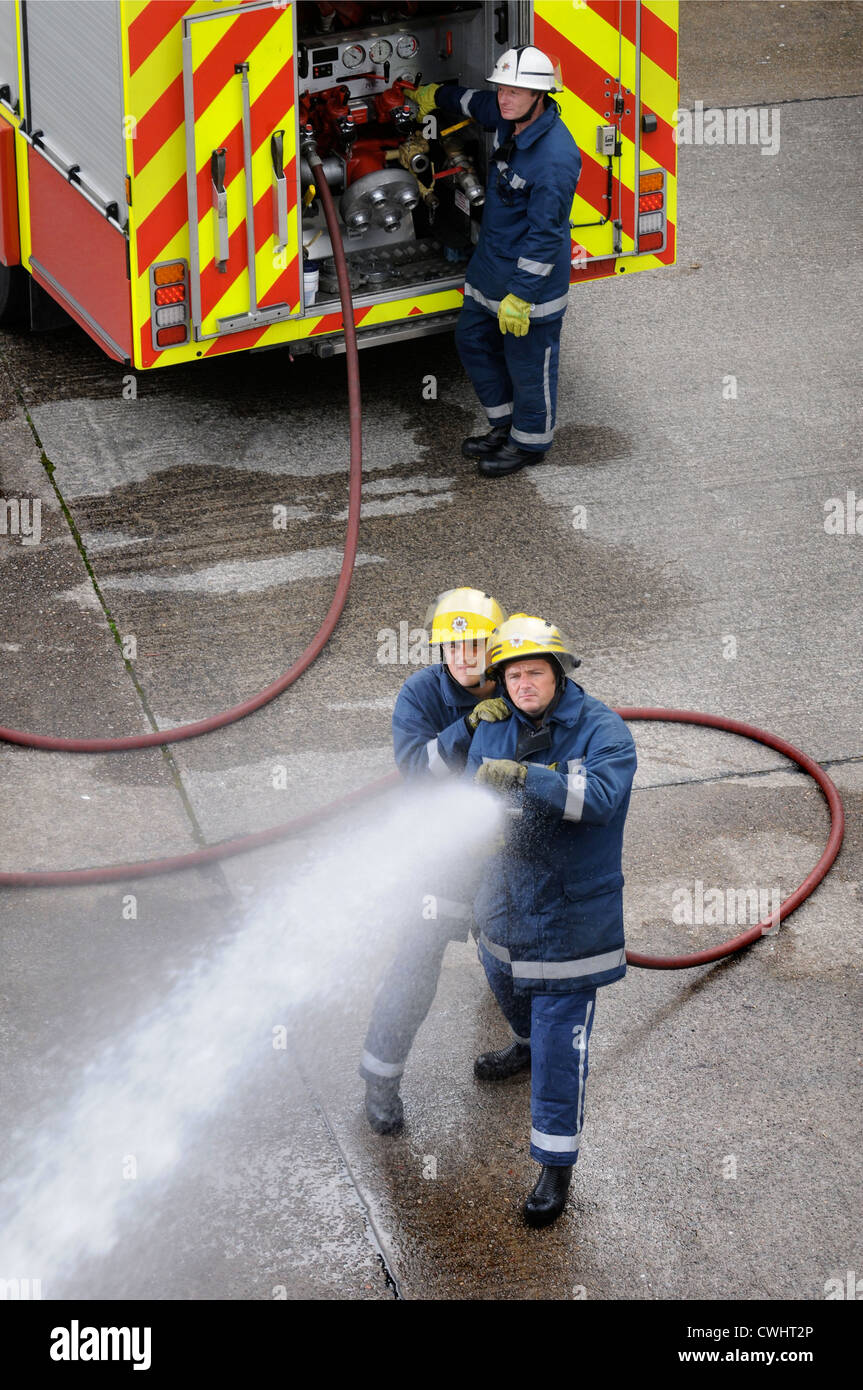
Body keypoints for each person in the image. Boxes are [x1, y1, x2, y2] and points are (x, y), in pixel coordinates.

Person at [465, 614, 637, 1227]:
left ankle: (554, 1168)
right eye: (511, 674)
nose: (522, 683)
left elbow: (597, 798)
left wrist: (527, 775)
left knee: (560, 1043)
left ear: (558, 672)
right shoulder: (493, 726)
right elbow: (468, 798)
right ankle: (525, 1043)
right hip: (504, 907)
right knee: (512, 995)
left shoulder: (604, 731)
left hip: (568, 920)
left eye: (533, 670)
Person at [360, 587, 513, 1135]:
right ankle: (380, 1079)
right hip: (442, 858)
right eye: (452, 647)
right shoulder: (421, 694)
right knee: (416, 962)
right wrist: (467, 728)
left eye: (474, 646)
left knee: (512, 958)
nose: (463, 657)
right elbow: (418, 772)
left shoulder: (522, 678)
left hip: (506, 856)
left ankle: (524, 1047)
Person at [410, 48, 582, 478]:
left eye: (515, 91)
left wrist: (522, 296)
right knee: (472, 342)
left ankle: (529, 443)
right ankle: (504, 426)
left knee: (529, 365)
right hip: (491, 268)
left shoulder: (555, 158)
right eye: (502, 88)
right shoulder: (511, 117)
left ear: (539, 95)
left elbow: (547, 236)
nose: (505, 98)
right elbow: (475, 103)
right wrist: (435, 94)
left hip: (528, 285)